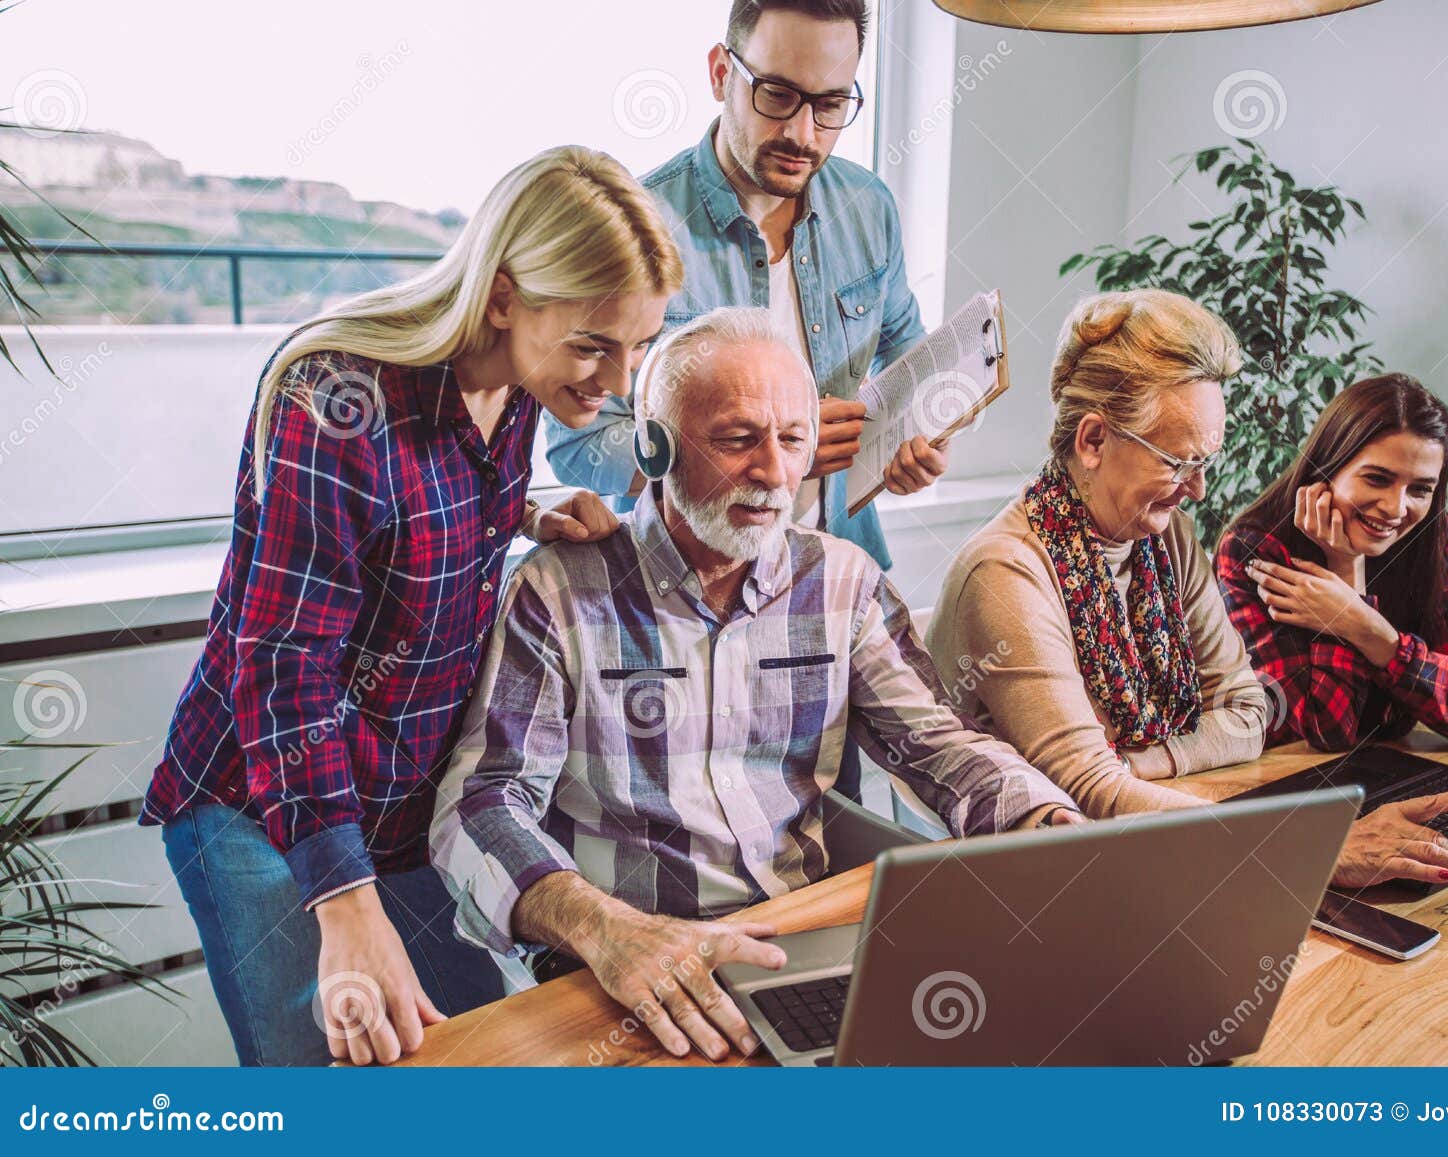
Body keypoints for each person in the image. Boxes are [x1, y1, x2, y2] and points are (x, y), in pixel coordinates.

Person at [140, 147, 683, 1066]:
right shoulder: (335, 397)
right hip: (269, 813)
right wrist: (343, 903)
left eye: (638, 346)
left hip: (403, 808)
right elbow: (285, 668)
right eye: (595, 344)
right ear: (505, 295)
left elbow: (418, 507)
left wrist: (522, 511)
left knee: (470, 1066)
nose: (619, 381)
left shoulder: (516, 388)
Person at [430, 307, 1083, 1063]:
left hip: (800, 949)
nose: (775, 473)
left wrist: (1044, 825)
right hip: (617, 972)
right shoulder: (559, 591)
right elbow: (479, 805)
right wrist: (606, 930)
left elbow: (940, 745)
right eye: (738, 439)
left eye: (794, 439)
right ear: (656, 445)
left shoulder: (844, 583)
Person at [927, 290, 1448, 889]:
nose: (1197, 489)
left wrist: (1139, 763)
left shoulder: (1165, 538)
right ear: (1093, 441)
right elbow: (1087, 794)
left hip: (1159, 835)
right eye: (1177, 462)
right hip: (1025, 885)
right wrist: (1313, 847)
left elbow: (1248, 713)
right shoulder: (1006, 573)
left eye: (1206, 463)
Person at [544, 0, 943, 574]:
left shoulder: (869, 206)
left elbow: (907, 342)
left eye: (831, 105)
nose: (803, 134)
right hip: (677, 592)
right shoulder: (636, 230)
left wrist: (919, 429)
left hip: (839, 572)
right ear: (720, 74)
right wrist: (764, 453)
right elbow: (574, 445)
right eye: (777, 95)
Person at [1214, 373, 1448, 752]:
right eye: (1377, 479)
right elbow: (1329, 733)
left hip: (1392, 770)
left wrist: (1368, 628)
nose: (1396, 508)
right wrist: (1344, 565)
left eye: (1420, 489)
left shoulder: (1434, 540)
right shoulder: (1255, 551)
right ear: (1326, 469)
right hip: (1297, 786)